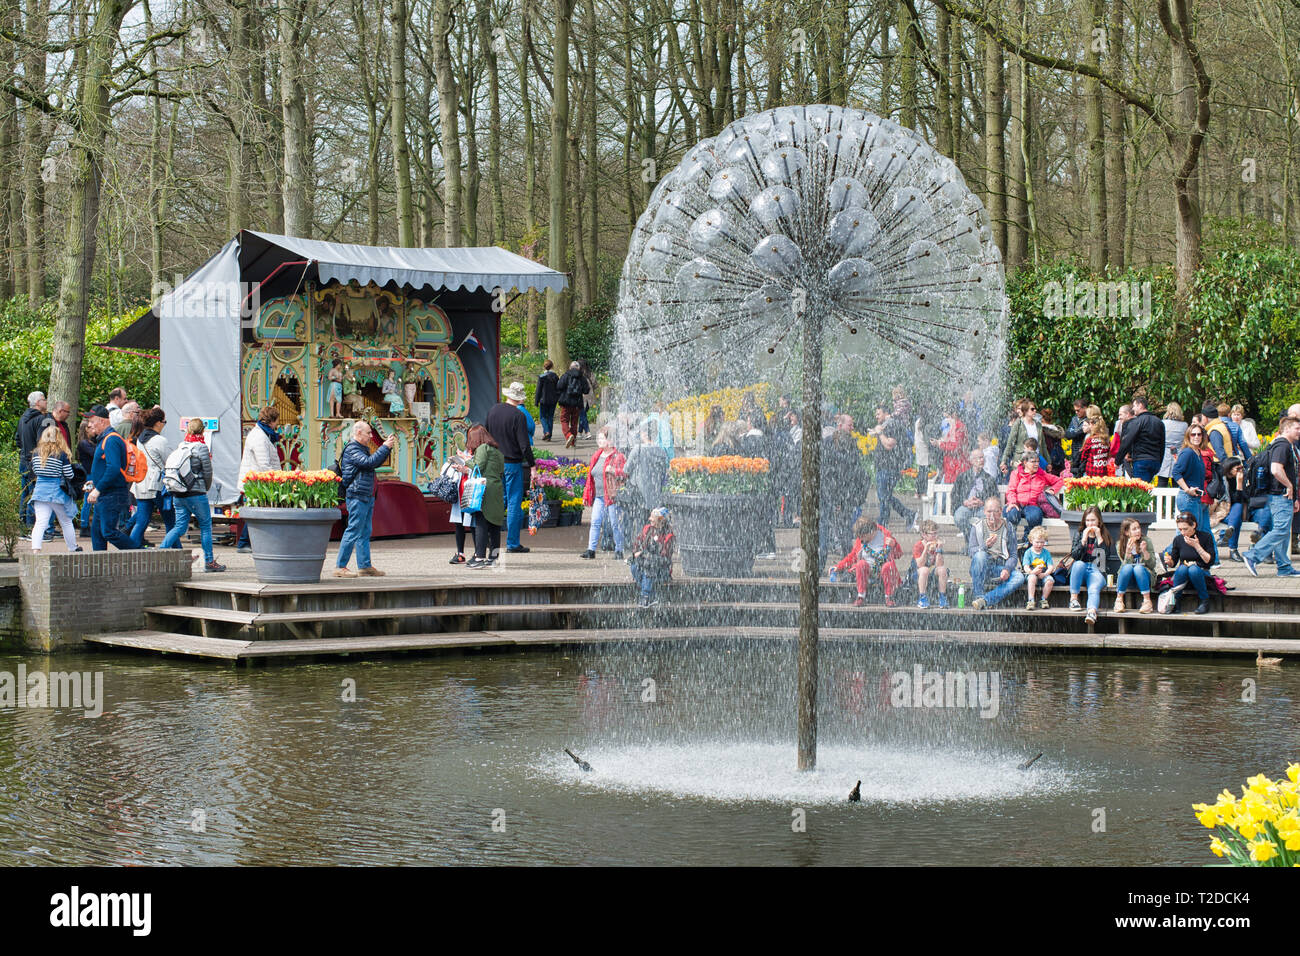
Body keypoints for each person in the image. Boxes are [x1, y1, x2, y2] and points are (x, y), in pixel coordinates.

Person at [158, 417, 225, 571]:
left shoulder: (181, 446)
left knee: (179, 527)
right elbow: (207, 472)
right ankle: (209, 562)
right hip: (196, 493)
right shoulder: (201, 448)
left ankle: (160, 552)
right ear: (202, 431)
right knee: (205, 526)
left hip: (178, 493)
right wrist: (205, 488)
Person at [333, 420, 395, 577]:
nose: (371, 436)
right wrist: (384, 447)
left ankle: (364, 566)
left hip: (366, 494)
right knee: (353, 530)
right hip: (357, 495)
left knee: (365, 532)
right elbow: (369, 463)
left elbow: (374, 463)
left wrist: (387, 449)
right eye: (368, 433)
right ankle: (340, 567)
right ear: (359, 432)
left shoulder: (361, 448)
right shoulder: (352, 448)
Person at [1242, 416, 1300, 578]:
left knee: (1284, 531)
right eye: (1297, 428)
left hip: (1282, 496)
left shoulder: (1284, 445)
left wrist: (1294, 497)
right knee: (1281, 530)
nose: (1299, 431)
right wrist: (1289, 486)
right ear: (1286, 429)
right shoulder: (1282, 445)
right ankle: (1253, 555)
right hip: (1280, 495)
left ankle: (1284, 567)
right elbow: (1275, 469)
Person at [486, 382, 537, 554]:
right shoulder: (518, 415)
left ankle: (489, 538)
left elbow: (486, 435)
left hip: (494, 462)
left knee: (498, 501)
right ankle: (512, 543)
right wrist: (532, 465)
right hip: (512, 463)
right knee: (514, 502)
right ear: (520, 398)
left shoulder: (493, 410)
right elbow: (524, 445)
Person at [85, 404, 139, 552]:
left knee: (108, 531)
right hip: (106, 493)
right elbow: (109, 467)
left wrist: (98, 489)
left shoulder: (111, 439)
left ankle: (141, 553)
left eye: (92, 421)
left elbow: (114, 468)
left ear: (102, 421)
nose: (89, 425)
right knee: (97, 532)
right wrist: (95, 482)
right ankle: (99, 563)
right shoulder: (106, 438)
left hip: (112, 494)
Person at [457, 425, 505, 569]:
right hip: (496, 488)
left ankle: (479, 557)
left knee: (481, 522)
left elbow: (479, 465)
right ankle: (493, 558)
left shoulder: (483, 448)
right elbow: (500, 470)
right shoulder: (497, 451)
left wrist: (464, 458)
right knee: (495, 525)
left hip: (484, 489)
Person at [1172, 422, 1219, 566]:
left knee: (1200, 530)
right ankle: (1170, 556)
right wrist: (1187, 489)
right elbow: (1176, 472)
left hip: (1197, 497)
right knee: (1188, 531)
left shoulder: (1197, 452)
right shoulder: (1187, 452)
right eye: (1193, 434)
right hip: (1188, 497)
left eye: (1199, 434)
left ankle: (1206, 561)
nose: (1196, 437)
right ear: (1188, 436)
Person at [235, 407, 281, 552]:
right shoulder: (259, 437)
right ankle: (243, 543)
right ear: (271, 421)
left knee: (255, 511)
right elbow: (263, 464)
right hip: (255, 482)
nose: (277, 424)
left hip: (257, 481)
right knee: (255, 512)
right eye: (277, 421)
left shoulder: (263, 434)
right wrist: (278, 477)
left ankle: (249, 542)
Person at [28, 425, 81, 552]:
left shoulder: (36, 453)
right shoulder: (61, 454)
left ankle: (36, 549)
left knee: (40, 522)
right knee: (66, 522)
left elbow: (34, 471)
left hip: (40, 491)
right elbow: (69, 474)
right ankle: (72, 548)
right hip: (57, 492)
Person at [129, 406, 174, 548]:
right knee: (170, 521)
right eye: (164, 422)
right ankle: (174, 549)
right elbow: (169, 461)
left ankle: (130, 549)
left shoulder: (140, 439)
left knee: (141, 521)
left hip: (141, 483)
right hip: (157, 485)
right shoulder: (160, 440)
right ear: (158, 423)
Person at [968, 496, 1025, 609]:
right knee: (980, 555)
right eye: (989, 511)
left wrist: (1007, 568)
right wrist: (985, 546)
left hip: (999, 567)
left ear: (1000, 511)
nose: (992, 515)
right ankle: (978, 594)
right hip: (981, 568)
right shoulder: (977, 527)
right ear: (984, 511)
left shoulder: (1008, 527)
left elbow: (1013, 555)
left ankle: (985, 600)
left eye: (995, 511)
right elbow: (971, 552)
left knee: (1019, 577)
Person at [832, 516, 902, 607]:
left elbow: (899, 554)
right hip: (867, 572)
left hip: (883, 572)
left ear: (871, 531)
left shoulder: (885, 535)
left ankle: (889, 597)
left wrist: (894, 545)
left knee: (888, 565)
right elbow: (852, 556)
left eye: (863, 537)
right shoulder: (861, 540)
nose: (861, 539)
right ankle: (861, 596)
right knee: (861, 564)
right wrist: (838, 566)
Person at [580, 427, 626, 560]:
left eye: (602, 438)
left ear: (610, 440)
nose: (599, 441)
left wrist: (614, 470)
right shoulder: (597, 455)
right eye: (598, 438)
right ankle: (591, 550)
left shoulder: (618, 456)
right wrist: (586, 495)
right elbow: (590, 477)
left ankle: (619, 550)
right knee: (595, 522)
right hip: (599, 496)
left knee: (615, 524)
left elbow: (625, 474)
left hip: (612, 496)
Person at [869, 404, 918, 531]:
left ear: (886, 413)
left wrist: (880, 433)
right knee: (885, 497)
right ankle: (907, 515)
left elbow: (889, 444)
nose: (876, 416)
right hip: (885, 467)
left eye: (878, 413)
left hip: (889, 468)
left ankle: (882, 525)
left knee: (884, 497)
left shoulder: (892, 424)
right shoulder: (888, 424)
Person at [1062, 506, 1111, 624]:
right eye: (1087, 520)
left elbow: (1103, 559)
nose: (1090, 524)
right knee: (1078, 564)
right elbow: (1075, 555)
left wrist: (1099, 538)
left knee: (1093, 588)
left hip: (1096, 570)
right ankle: (1074, 599)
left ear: (1099, 521)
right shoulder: (1079, 534)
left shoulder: (1104, 535)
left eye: (1093, 520)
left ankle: (1092, 612)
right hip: (1081, 571)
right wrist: (1083, 540)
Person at [623, 424, 669, 546]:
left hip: (640, 493)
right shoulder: (661, 451)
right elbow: (664, 474)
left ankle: (640, 546)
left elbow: (626, 469)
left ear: (643, 434)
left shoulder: (637, 449)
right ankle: (654, 545)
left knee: (640, 522)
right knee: (655, 522)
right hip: (655, 493)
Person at [1162, 512, 1217, 613]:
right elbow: (1173, 563)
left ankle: (1204, 601)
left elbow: (1209, 561)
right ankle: (1176, 601)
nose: (1182, 532)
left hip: (1201, 575)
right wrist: (1169, 561)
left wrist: (1197, 546)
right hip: (1183, 578)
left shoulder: (1206, 537)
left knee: (1193, 569)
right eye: (1180, 529)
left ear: (1194, 525)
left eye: (1185, 529)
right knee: (1182, 568)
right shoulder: (1178, 539)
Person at [1004, 451, 1064, 533]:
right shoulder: (1016, 473)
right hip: (1016, 504)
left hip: (1033, 505)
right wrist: (1012, 502)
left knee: (1035, 516)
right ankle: (1011, 537)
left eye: (1037, 462)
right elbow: (1011, 490)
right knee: (1012, 514)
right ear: (1025, 462)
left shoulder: (1042, 474)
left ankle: (1029, 538)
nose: (1036, 464)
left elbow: (1060, 480)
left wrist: (1052, 490)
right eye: (1033, 462)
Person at [629, 507, 674, 608]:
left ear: (661, 520)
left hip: (662, 570)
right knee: (634, 566)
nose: (650, 519)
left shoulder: (669, 535)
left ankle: (645, 596)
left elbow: (665, 559)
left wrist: (647, 556)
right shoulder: (647, 529)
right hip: (646, 564)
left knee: (650, 566)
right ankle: (652, 596)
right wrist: (637, 553)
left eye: (653, 517)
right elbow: (637, 544)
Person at [16, 391, 48, 528]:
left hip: (23, 460)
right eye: (44, 399)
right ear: (38, 403)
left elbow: (17, 440)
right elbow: (43, 442)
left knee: (24, 493)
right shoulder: (41, 419)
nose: (46, 401)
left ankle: (23, 525)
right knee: (35, 494)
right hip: (35, 462)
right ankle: (31, 526)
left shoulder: (22, 419)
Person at [1114, 516, 1159, 613]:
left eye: (1138, 528)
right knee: (1127, 567)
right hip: (1128, 579)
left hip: (1145, 577)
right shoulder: (1120, 545)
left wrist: (1145, 551)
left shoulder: (1146, 541)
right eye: (1134, 529)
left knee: (1138, 568)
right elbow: (1123, 568)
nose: (1138, 531)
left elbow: (1152, 565)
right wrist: (1128, 553)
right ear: (1126, 532)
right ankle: (1119, 600)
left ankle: (1147, 602)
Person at [1115, 396, 1165, 483]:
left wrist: (1117, 461)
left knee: (1140, 489)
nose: (1133, 409)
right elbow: (1162, 444)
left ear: (1140, 405)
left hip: (1141, 461)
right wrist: (1159, 462)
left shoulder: (1137, 421)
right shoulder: (1159, 422)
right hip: (1155, 461)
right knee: (1147, 487)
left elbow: (1127, 441)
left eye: (1134, 406)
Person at [952, 447, 1000, 537]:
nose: (982, 460)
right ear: (972, 461)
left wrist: (983, 502)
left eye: (983, 458)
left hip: (982, 508)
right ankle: (970, 538)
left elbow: (995, 496)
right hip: (966, 506)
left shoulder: (989, 478)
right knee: (959, 517)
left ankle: (977, 540)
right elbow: (955, 495)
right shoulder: (963, 477)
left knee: (986, 518)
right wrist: (965, 502)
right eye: (979, 458)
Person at [912, 519, 948, 608]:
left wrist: (939, 549)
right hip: (918, 572)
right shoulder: (918, 545)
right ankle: (922, 597)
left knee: (943, 570)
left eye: (936, 533)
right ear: (924, 535)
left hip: (931, 570)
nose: (935, 536)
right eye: (932, 534)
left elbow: (939, 564)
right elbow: (920, 564)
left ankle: (942, 596)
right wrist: (925, 549)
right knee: (925, 570)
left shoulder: (937, 545)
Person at [555, 361, 589, 448]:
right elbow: (586, 390)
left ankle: (568, 435)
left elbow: (559, 386)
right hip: (577, 403)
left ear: (570, 367)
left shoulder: (566, 375)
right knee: (574, 422)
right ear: (579, 368)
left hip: (566, 402)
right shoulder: (582, 377)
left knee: (564, 420)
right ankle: (573, 442)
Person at [999, 399, 1038, 473]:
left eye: (1020, 408)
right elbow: (1009, 444)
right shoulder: (1018, 423)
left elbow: (1042, 445)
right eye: (1032, 409)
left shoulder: (1038, 424)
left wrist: (1048, 462)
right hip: (1021, 460)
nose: (1018, 411)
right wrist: (1004, 461)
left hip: (1036, 459)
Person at [1021, 526, 1054, 609]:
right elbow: (1026, 566)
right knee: (1032, 578)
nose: (1039, 544)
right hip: (1032, 573)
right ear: (1031, 541)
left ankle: (1044, 599)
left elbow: (1050, 567)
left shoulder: (1046, 553)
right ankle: (1031, 600)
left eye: (1042, 542)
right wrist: (1031, 572)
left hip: (1043, 574)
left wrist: (1045, 574)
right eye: (1037, 542)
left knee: (1050, 581)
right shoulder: (1028, 552)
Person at [1157, 402, 1187, 487]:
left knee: (1162, 480)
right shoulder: (1184, 425)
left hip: (1164, 453)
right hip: (1178, 453)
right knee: (1177, 479)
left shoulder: (1163, 423)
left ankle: (1160, 496)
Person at [76, 418, 97, 537]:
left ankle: (86, 525)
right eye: (90, 427)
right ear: (85, 429)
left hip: (91, 473)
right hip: (89, 474)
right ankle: (84, 525)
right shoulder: (84, 444)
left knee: (89, 500)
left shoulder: (89, 442)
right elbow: (95, 453)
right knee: (87, 500)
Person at [535, 359, 559, 441]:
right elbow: (558, 388)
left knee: (542, 417)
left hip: (543, 400)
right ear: (552, 366)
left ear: (544, 367)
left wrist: (536, 401)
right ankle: (549, 436)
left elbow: (538, 390)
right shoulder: (555, 376)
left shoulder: (542, 377)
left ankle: (546, 431)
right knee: (550, 417)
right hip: (553, 400)